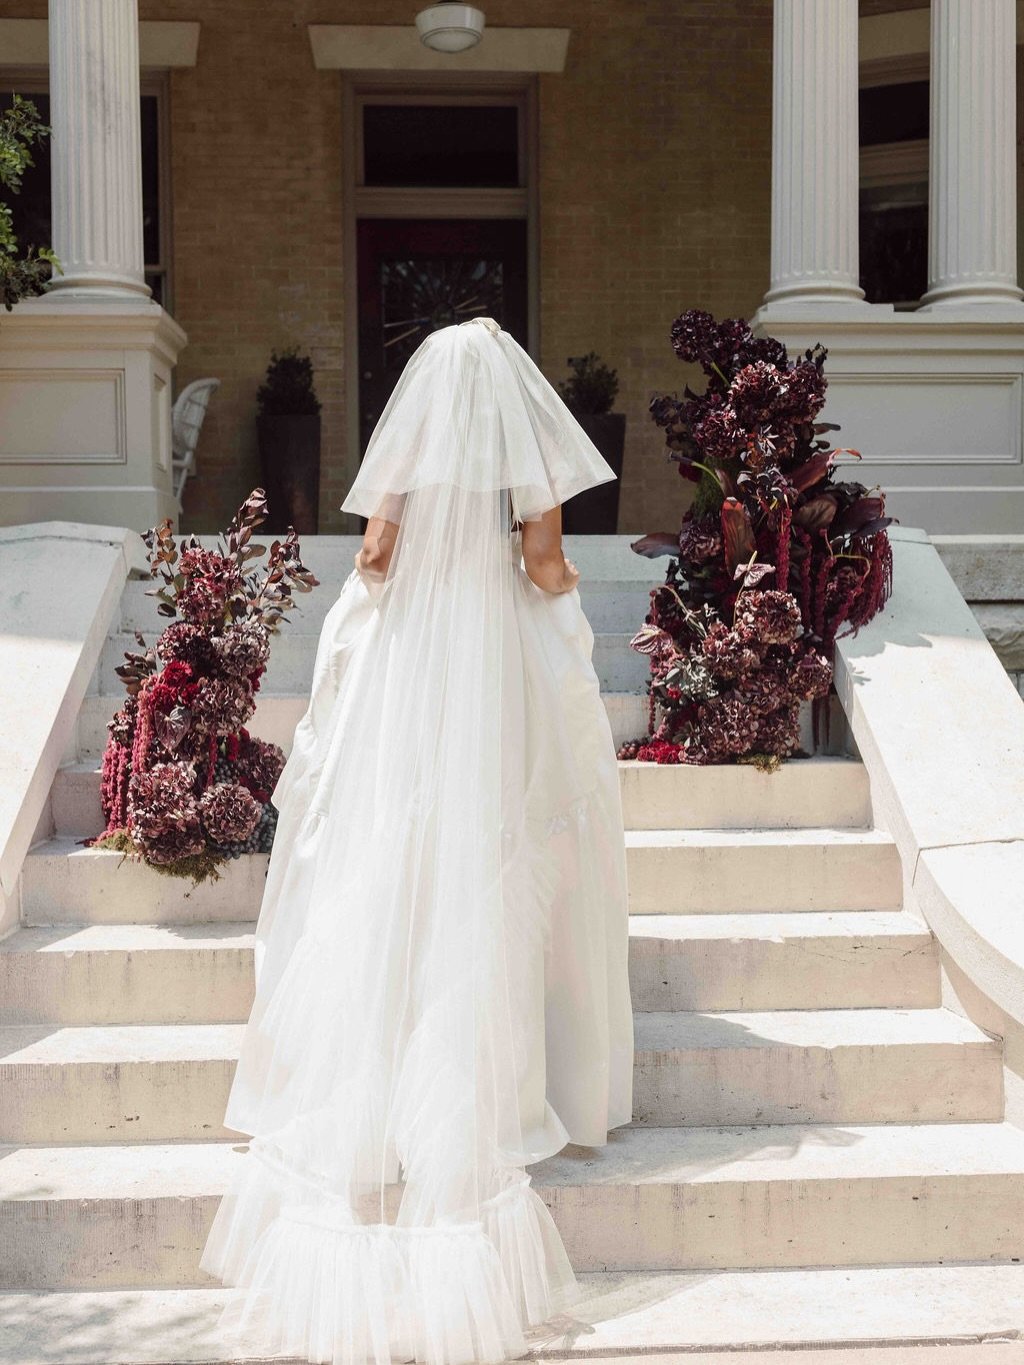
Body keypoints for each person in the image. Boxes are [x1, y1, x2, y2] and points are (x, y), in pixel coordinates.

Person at [200, 315, 634, 1365]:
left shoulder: (407, 455)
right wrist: (563, 604)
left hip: (409, 670)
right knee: (482, 857)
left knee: (386, 850)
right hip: (486, 665)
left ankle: (365, 1080)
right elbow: (541, 564)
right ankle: (471, 1082)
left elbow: (381, 554)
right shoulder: (520, 458)